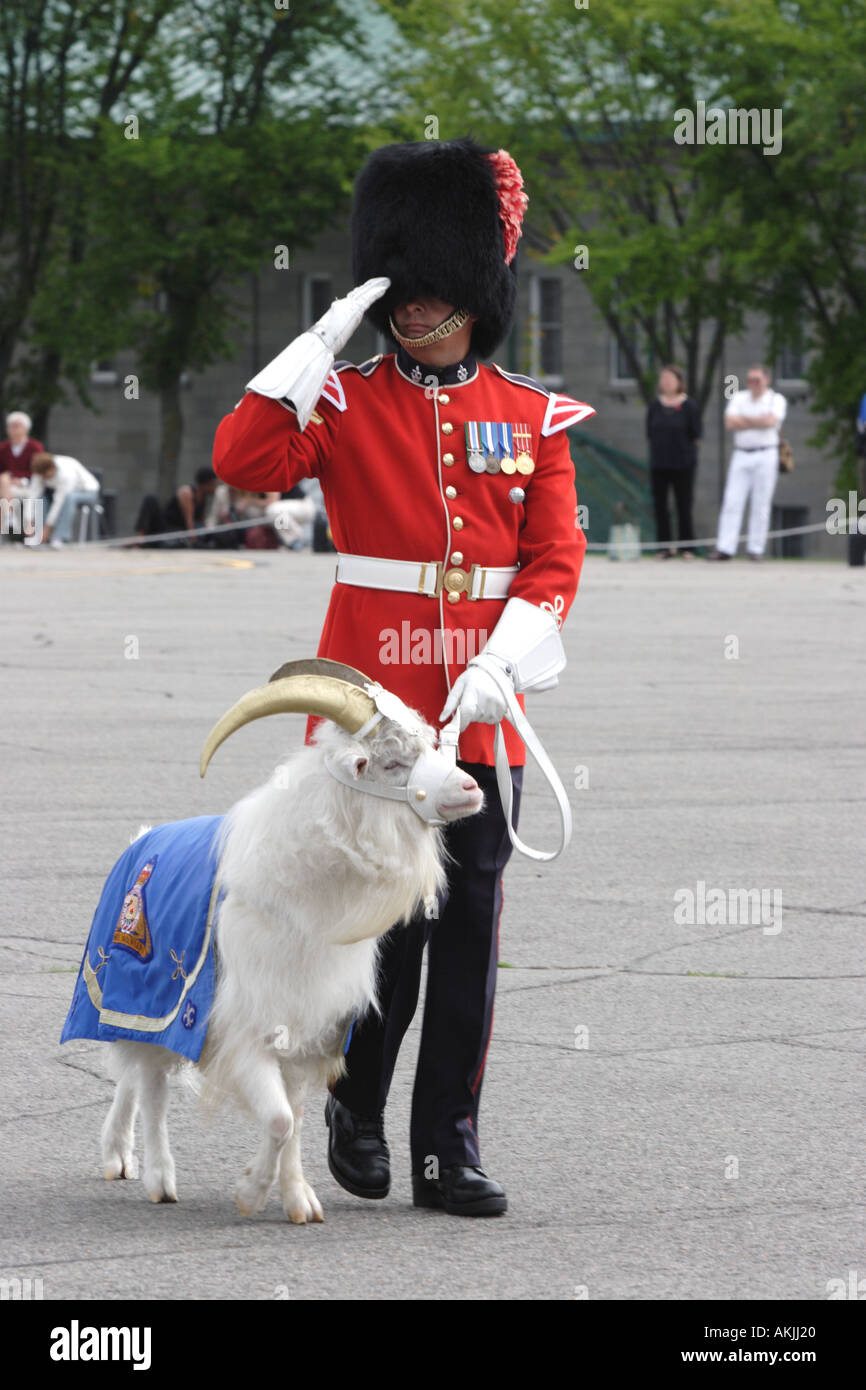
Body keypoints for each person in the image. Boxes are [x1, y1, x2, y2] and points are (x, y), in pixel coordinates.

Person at [212, 136, 594, 1217]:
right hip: (370, 702)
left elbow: (553, 560)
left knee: (468, 918)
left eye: (433, 293)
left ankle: (448, 1146)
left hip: (481, 702)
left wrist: (501, 657)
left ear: (474, 290)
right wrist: (317, 342)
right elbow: (241, 459)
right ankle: (353, 1101)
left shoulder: (534, 417)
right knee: (376, 917)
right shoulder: (342, 398)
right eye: (399, 294)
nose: (413, 313)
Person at [714, 365, 787, 561]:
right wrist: (757, 420)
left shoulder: (775, 399)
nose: (754, 384)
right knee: (732, 501)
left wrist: (743, 421)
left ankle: (756, 548)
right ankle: (725, 547)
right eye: (750, 380)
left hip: (766, 453)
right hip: (741, 454)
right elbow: (729, 423)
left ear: (767, 380)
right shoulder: (739, 397)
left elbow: (770, 421)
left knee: (760, 502)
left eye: (758, 379)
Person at [646, 365, 702, 558]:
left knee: (683, 505)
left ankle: (687, 547)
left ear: (679, 382)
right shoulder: (655, 406)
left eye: (670, 378)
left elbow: (697, 435)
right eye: (663, 379)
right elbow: (649, 433)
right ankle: (664, 547)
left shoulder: (689, 406)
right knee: (661, 506)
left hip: (683, 464)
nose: (666, 382)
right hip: (659, 463)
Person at [25, 452, 100, 549]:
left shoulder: (66, 474)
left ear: (51, 468)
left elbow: (59, 502)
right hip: (58, 494)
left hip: (88, 492)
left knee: (69, 498)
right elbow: (32, 496)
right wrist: (29, 521)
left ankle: (59, 537)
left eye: (45, 475)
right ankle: (38, 535)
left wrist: (48, 528)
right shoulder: (39, 472)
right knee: (41, 499)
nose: (43, 478)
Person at [134, 467, 219, 545]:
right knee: (151, 499)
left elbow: (201, 521)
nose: (216, 488)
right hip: (165, 527)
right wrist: (194, 541)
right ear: (206, 484)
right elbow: (189, 521)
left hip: (178, 530)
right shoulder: (187, 493)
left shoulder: (203, 498)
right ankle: (140, 539)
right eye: (214, 484)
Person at [0, 411, 45, 506]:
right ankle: (9, 517)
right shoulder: (3, 448)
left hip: (29, 485)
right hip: (6, 483)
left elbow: (39, 470)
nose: (12, 429)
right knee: (4, 481)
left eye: (16, 426)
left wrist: (20, 480)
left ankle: (8, 518)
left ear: (26, 429)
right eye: (10, 426)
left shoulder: (35, 447)